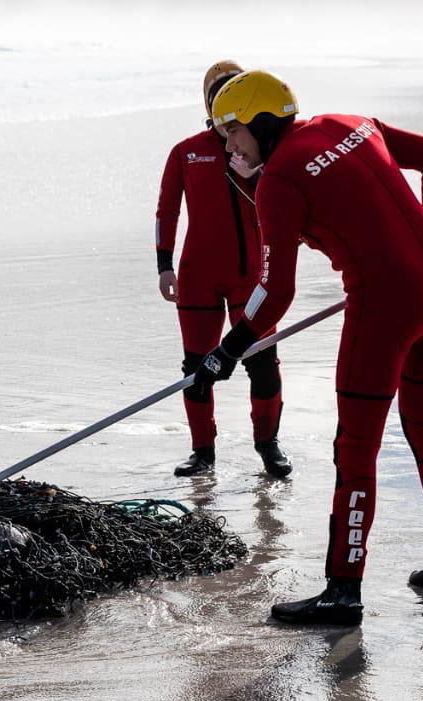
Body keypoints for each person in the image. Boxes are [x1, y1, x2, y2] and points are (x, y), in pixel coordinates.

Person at [198, 70, 423, 625]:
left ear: (258, 121)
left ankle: (342, 592)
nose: (228, 145)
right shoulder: (352, 122)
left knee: (355, 445)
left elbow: (275, 290)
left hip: (384, 304)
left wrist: (229, 349)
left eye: (231, 131)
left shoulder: (278, 182)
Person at [156, 60, 292, 479]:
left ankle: (267, 445)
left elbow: (287, 202)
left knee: (263, 364)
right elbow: (167, 210)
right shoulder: (185, 151)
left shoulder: (260, 150)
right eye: (217, 93)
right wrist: (164, 265)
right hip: (198, 276)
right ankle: (203, 453)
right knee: (196, 369)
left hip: (250, 273)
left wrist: (256, 176)